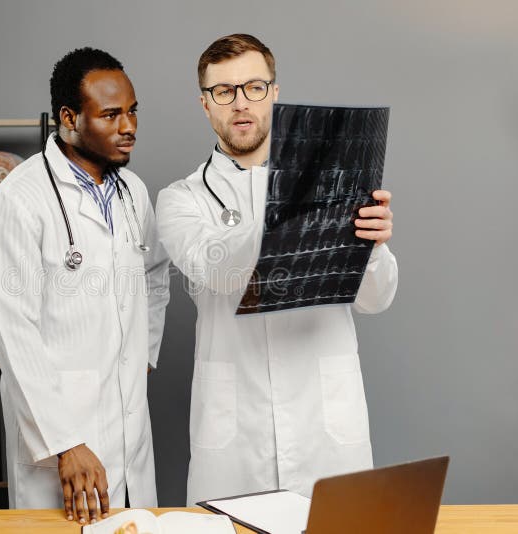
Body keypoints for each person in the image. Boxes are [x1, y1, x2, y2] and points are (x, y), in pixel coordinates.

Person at [156, 34, 398, 504]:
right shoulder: (180, 199)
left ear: (275, 93)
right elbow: (214, 269)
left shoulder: (337, 187)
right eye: (223, 91)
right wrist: (299, 207)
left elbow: (376, 298)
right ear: (205, 104)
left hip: (324, 431)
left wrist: (371, 241)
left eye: (254, 87)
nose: (240, 103)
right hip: (235, 442)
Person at [0, 48, 169, 523]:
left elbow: (154, 274)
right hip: (62, 440)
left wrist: (141, 355)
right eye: (110, 114)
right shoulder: (19, 201)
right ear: (68, 117)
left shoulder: (134, 193)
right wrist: (65, 442)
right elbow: (13, 331)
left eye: (132, 110)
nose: (129, 126)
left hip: (129, 431)